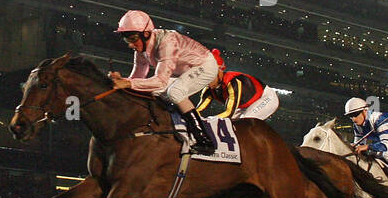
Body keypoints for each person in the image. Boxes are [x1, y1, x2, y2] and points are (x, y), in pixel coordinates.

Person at [108, 10, 218, 154]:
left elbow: (159, 81)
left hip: (204, 65)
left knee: (175, 92)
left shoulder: (167, 42)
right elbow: (138, 78)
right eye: (127, 39)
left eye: (133, 39)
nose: (130, 45)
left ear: (146, 34)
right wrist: (122, 81)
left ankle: (204, 140)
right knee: (154, 90)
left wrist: (128, 83)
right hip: (185, 71)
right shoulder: (141, 49)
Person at [194, 49, 279, 121]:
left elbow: (229, 113)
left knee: (244, 120)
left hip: (266, 98)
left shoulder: (233, 83)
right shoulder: (208, 88)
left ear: (219, 72)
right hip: (245, 105)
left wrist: (209, 119)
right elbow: (197, 110)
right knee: (229, 123)